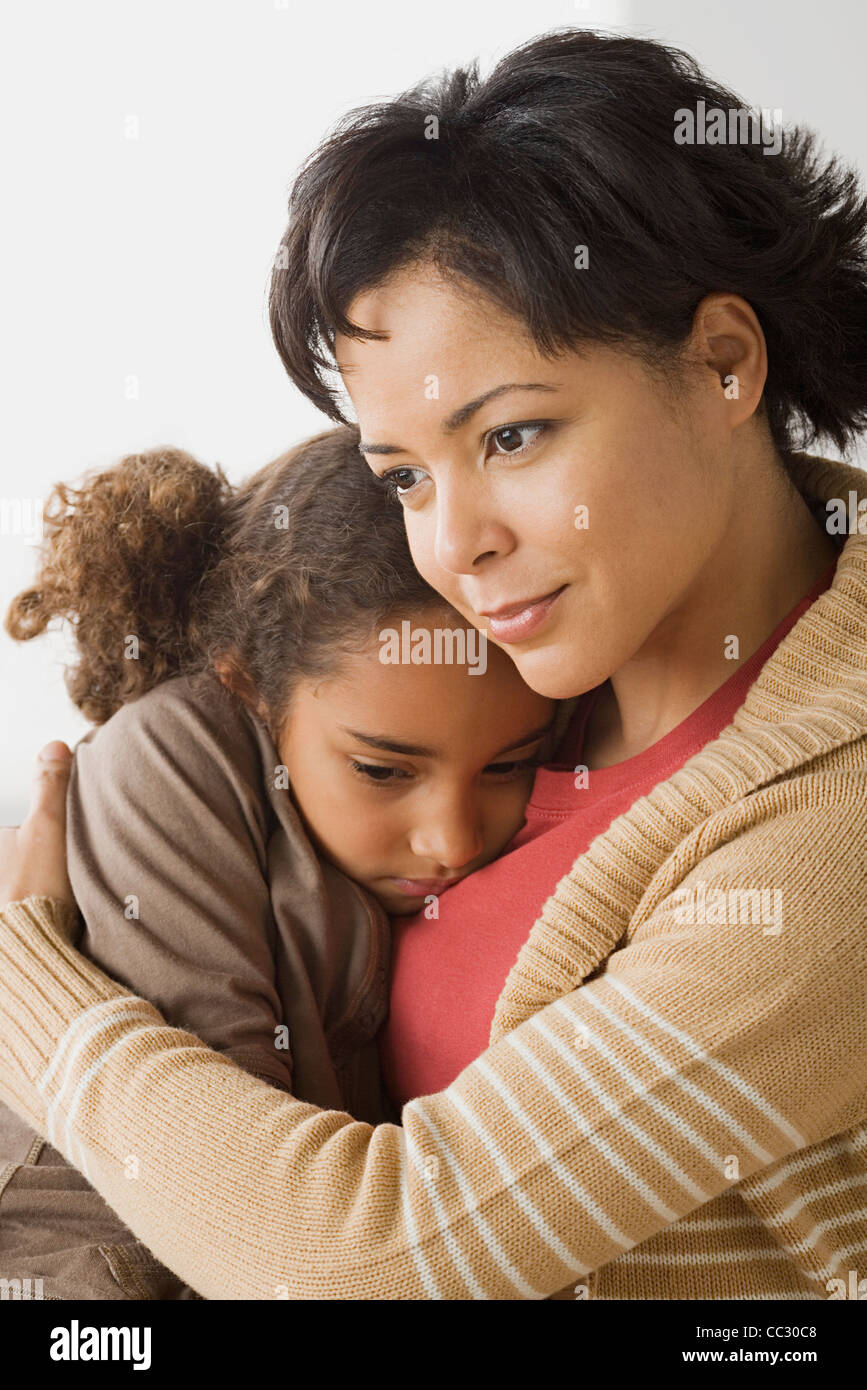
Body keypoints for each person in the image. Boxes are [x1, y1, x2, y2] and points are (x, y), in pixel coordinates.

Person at [1, 28, 867, 1301]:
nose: (456, 544)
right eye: (405, 472)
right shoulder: (524, 679)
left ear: (724, 362)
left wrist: (26, 987)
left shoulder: (827, 826)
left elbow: (372, 1259)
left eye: (513, 434)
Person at [0, 425, 557, 1299]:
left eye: (506, 765)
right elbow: (226, 1168)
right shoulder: (171, 755)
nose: (452, 840)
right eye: (381, 769)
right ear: (250, 690)